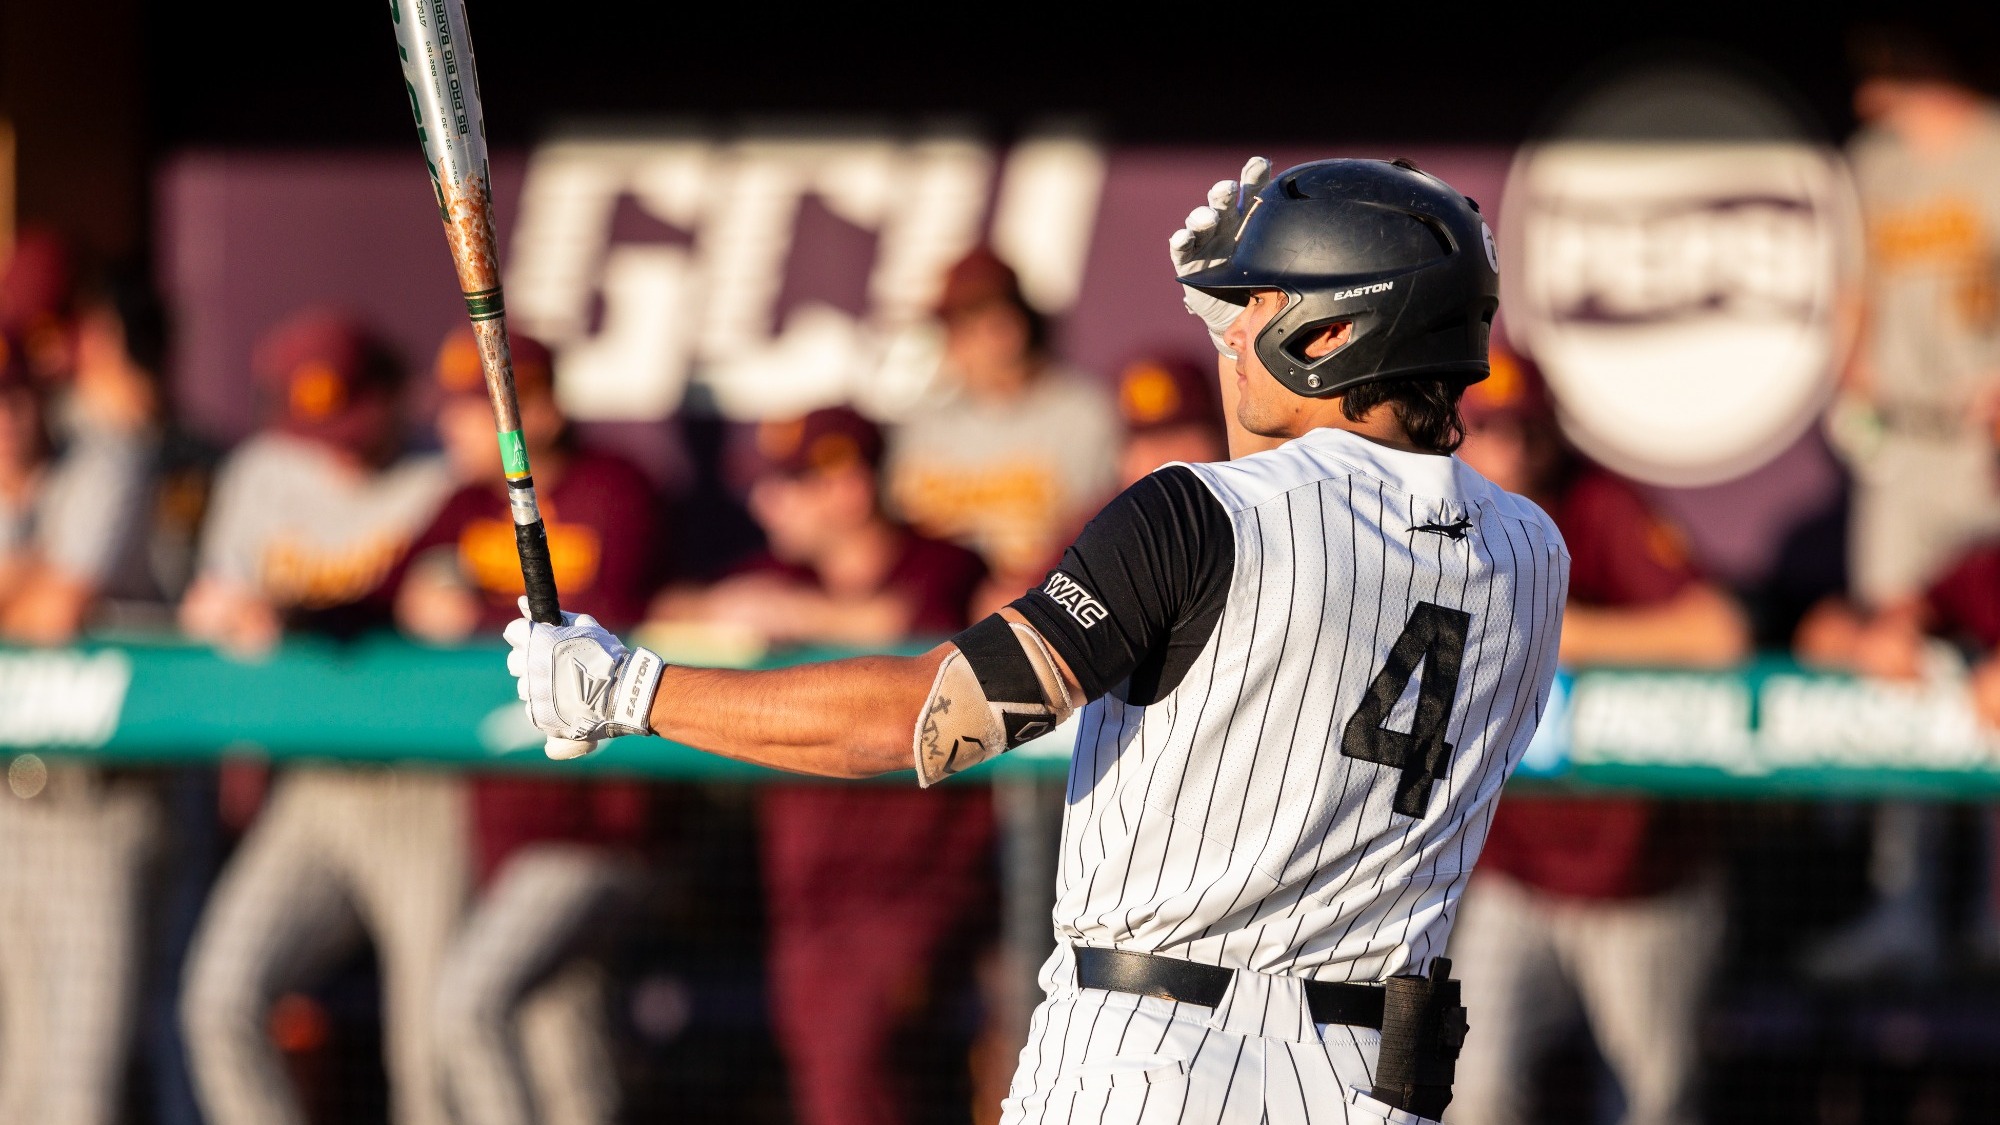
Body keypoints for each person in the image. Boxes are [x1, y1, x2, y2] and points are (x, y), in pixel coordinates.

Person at [507, 156, 1569, 1125]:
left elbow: (926, 722)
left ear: (1332, 333)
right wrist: (1238, 336)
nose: (1233, 328)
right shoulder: (1531, 550)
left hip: (1151, 1053)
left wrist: (628, 691)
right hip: (1371, 1080)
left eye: (1259, 303)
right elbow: (1331, 490)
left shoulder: (1194, 514)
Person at [657, 405, 992, 1125]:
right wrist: (739, 606)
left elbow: (912, 622)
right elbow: (666, 612)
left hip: (919, 886)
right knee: (832, 1080)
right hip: (807, 893)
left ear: (847, 487)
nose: (763, 501)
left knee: (861, 1072)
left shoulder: (943, 562)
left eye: (791, 483)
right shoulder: (779, 569)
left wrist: (803, 615)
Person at [1443, 352, 1748, 1125]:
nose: (1505, 451)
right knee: (1471, 1092)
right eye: (1484, 430)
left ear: (1551, 434)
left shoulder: (1598, 505)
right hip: (1514, 870)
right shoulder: (1441, 513)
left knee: (1656, 1103)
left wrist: (1569, 635)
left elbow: (1719, 632)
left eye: (1522, 432)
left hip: (1638, 879)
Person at [178, 310, 461, 1125]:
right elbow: (212, 607)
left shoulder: (435, 483)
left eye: (349, 420)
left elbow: (440, 612)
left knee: (426, 1057)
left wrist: (291, 612)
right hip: (311, 785)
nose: (334, 444)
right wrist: (228, 613)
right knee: (220, 998)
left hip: (420, 787)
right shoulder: (264, 473)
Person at [395, 327, 657, 1125]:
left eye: (476, 409)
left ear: (531, 410)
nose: (453, 427)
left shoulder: (615, 489)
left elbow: (608, 634)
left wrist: (468, 614)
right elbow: (383, 592)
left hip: (599, 823)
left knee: (467, 1005)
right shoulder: (461, 502)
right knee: (563, 1052)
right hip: (503, 828)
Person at [1804, 24, 2000, 982]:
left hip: (1988, 444)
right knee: (1894, 654)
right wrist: (1855, 386)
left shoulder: (1993, 145)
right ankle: (1905, 907)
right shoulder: (1871, 161)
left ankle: (1991, 911)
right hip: (1908, 447)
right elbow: (1854, 296)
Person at [886, 245, 1119, 587]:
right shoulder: (921, 427)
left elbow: (1093, 534)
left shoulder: (1083, 415)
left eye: (988, 321)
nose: (971, 341)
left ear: (1018, 324)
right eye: (957, 326)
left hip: (1042, 600)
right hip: (939, 610)